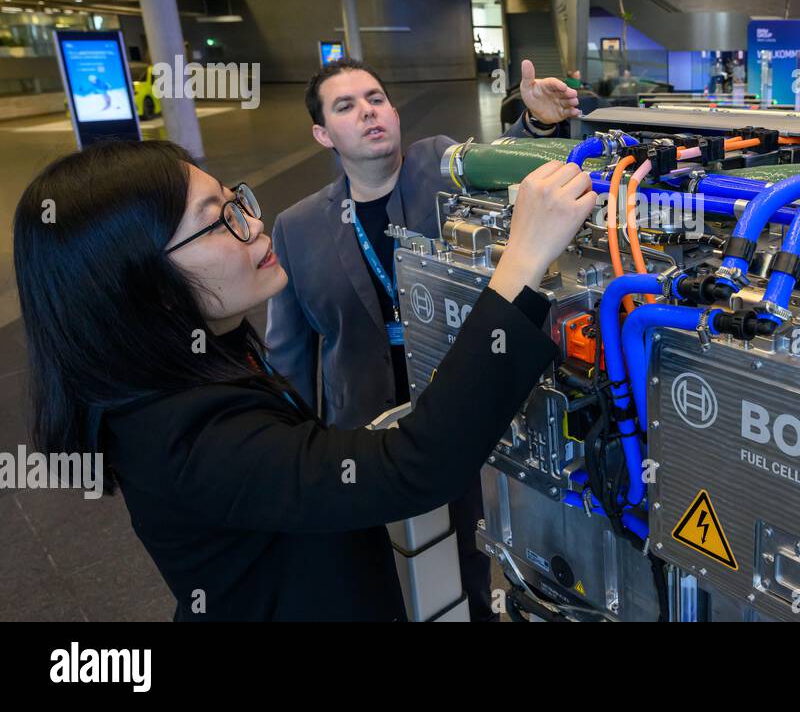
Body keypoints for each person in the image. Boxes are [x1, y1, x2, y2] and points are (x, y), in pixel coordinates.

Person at [14, 140, 594, 620]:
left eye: (235, 201)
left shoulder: (197, 363)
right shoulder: (184, 433)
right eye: (219, 222)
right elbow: (415, 467)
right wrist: (522, 260)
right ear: (140, 285)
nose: (253, 224)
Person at [265, 56, 578, 621]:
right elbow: (288, 356)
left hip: (456, 409)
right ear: (322, 134)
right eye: (346, 106)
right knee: (372, 570)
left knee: (469, 552)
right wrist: (290, 461)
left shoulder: (437, 165)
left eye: (376, 98)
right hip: (359, 429)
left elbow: (498, 166)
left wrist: (535, 126)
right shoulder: (297, 226)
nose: (368, 112)